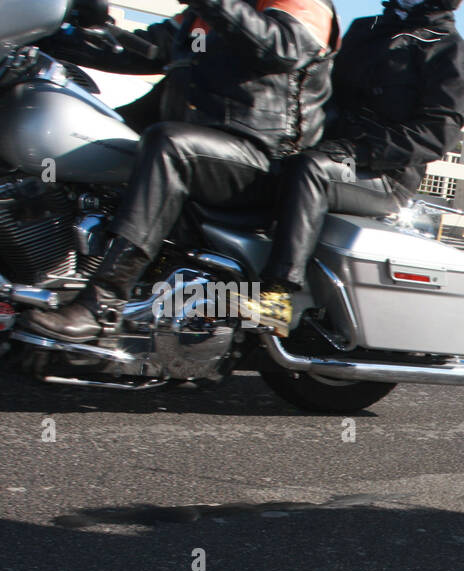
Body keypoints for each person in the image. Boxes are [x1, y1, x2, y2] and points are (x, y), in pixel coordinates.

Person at [22, 0, 338, 343]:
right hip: (206, 147)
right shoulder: (202, 18)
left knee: (168, 144)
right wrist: (45, 34)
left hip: (265, 158)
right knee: (88, 135)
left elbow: (283, 47)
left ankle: (103, 303)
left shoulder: (300, 4)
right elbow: (141, 49)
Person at [253, 0, 464, 327]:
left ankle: (276, 295)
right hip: (325, 149)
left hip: (384, 174)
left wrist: (361, 150)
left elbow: (435, 134)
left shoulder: (451, 53)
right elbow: (318, 86)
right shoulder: (365, 29)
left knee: (310, 171)